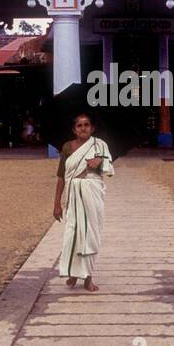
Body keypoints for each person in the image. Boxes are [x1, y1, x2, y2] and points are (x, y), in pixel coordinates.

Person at [52, 112, 114, 292]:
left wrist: (99, 162)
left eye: (86, 125)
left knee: (90, 235)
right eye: (79, 125)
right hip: (73, 195)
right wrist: (57, 204)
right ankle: (72, 272)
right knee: (73, 233)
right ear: (74, 129)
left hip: (92, 194)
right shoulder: (67, 148)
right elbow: (61, 176)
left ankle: (88, 277)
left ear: (92, 128)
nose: (83, 128)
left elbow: (109, 168)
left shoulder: (100, 145)